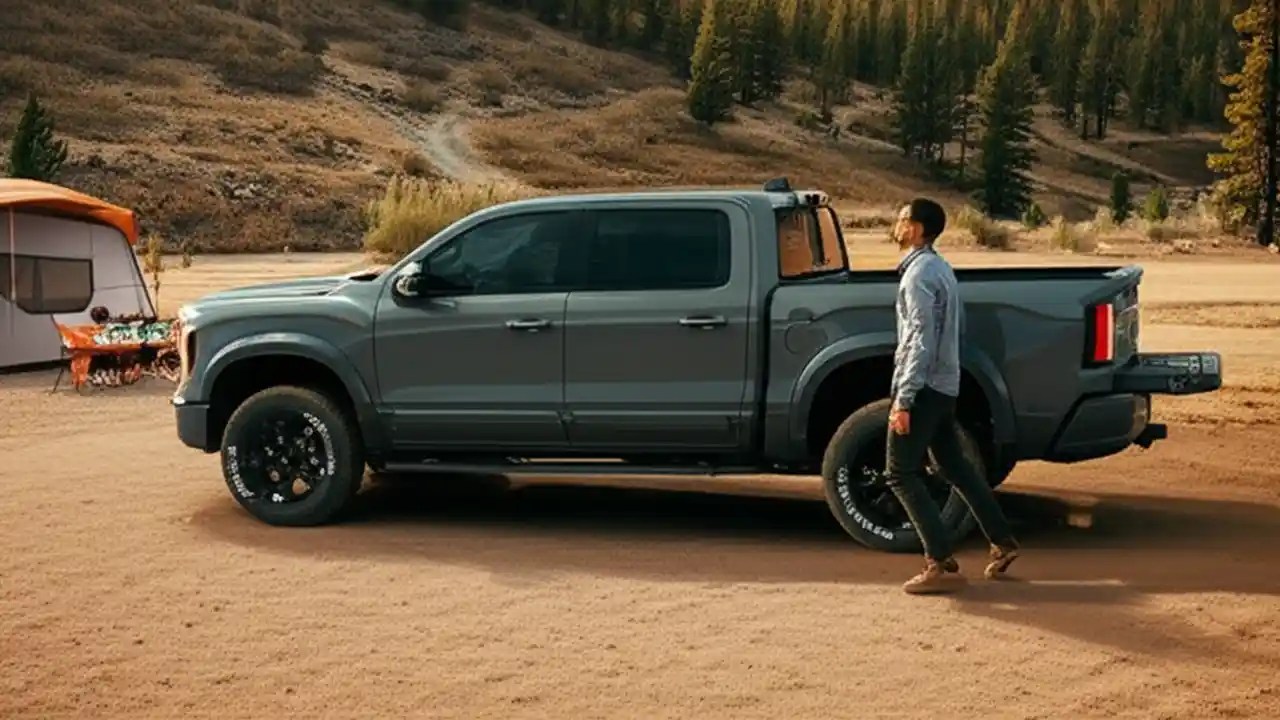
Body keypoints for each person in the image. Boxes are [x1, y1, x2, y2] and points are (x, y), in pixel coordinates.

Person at [888, 198, 1020, 595]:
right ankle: (1002, 541)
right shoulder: (939, 268)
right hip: (945, 385)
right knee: (954, 468)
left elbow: (919, 340)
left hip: (924, 386)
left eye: (902, 218)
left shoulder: (918, 277)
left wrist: (905, 398)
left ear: (916, 228)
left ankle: (939, 563)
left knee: (900, 472)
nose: (896, 224)